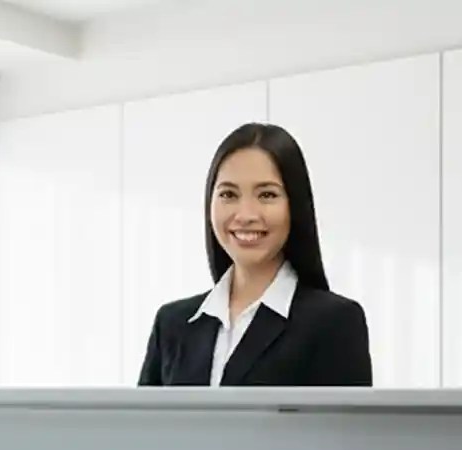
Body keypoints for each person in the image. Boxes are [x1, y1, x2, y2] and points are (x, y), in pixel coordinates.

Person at [138, 123, 372, 386]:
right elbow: (142, 416)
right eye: (228, 194)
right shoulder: (172, 324)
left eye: (267, 195)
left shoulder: (335, 322)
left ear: (294, 204)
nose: (246, 215)